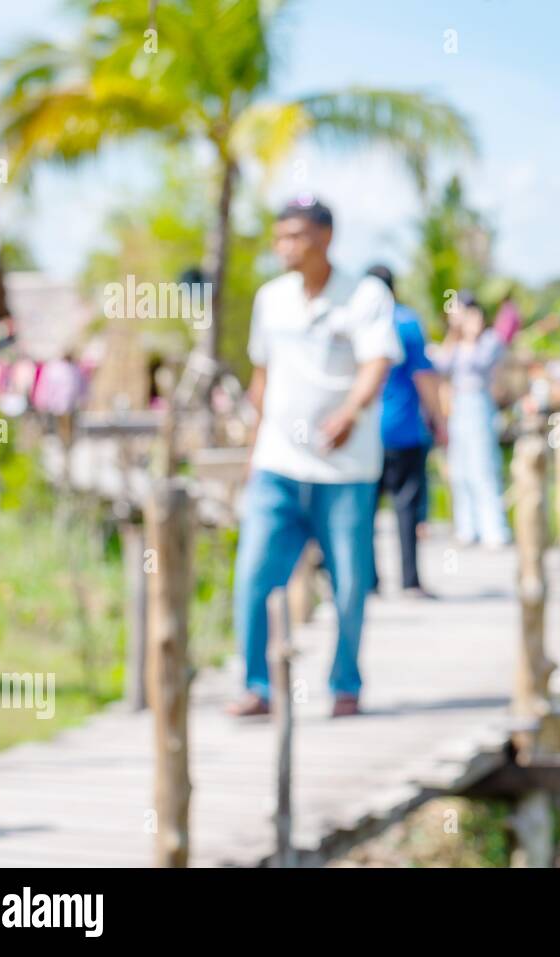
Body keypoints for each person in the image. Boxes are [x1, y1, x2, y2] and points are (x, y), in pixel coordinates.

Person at [227, 196, 401, 719]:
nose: (285, 246)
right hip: (279, 463)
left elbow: (377, 361)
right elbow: (263, 375)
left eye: (296, 236)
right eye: (280, 236)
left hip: (345, 469)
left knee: (349, 583)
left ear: (326, 238)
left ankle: (345, 682)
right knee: (254, 575)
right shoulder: (271, 299)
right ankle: (258, 686)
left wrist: (351, 410)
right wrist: (253, 448)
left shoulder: (365, 296)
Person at [365, 264, 447, 599]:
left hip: (364, 433)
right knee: (407, 507)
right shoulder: (408, 322)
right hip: (404, 430)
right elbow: (424, 378)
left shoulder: (358, 321)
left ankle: (367, 581)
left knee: (363, 512)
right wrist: (439, 420)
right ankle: (410, 581)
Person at [433, 292, 510, 547]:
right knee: (460, 470)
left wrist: (472, 334)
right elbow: (440, 365)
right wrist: (455, 333)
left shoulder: (488, 340)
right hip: (458, 407)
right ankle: (467, 528)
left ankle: (494, 530)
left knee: (483, 468)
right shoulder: (455, 343)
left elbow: (483, 362)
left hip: (479, 403)